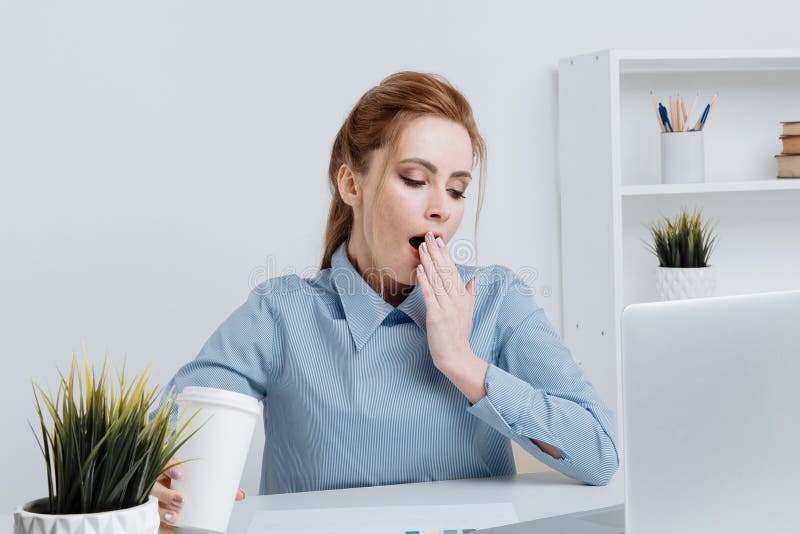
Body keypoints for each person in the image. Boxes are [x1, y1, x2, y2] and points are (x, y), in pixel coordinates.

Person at [150, 71, 619, 530]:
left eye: (457, 189)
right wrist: (151, 475)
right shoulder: (280, 313)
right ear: (352, 185)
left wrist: (464, 364)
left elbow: (599, 453)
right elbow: (156, 436)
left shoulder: (498, 300)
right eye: (415, 179)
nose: (442, 207)